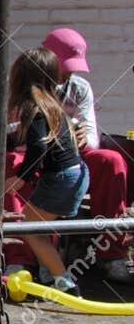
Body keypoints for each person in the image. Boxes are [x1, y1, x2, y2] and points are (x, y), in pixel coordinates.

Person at [42, 28, 132, 283]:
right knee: (12, 164)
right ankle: (23, 258)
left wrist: (81, 136)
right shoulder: (25, 85)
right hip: (35, 155)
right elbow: (10, 130)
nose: (69, 72)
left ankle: (111, 253)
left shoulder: (80, 88)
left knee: (111, 160)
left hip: (73, 155)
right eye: (65, 66)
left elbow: (91, 133)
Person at [6, 48, 89, 296]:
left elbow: (38, 148)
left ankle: (64, 282)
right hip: (73, 173)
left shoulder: (33, 107)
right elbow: (35, 140)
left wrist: (21, 178)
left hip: (60, 178)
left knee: (29, 228)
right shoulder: (51, 105)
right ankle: (50, 273)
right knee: (37, 227)